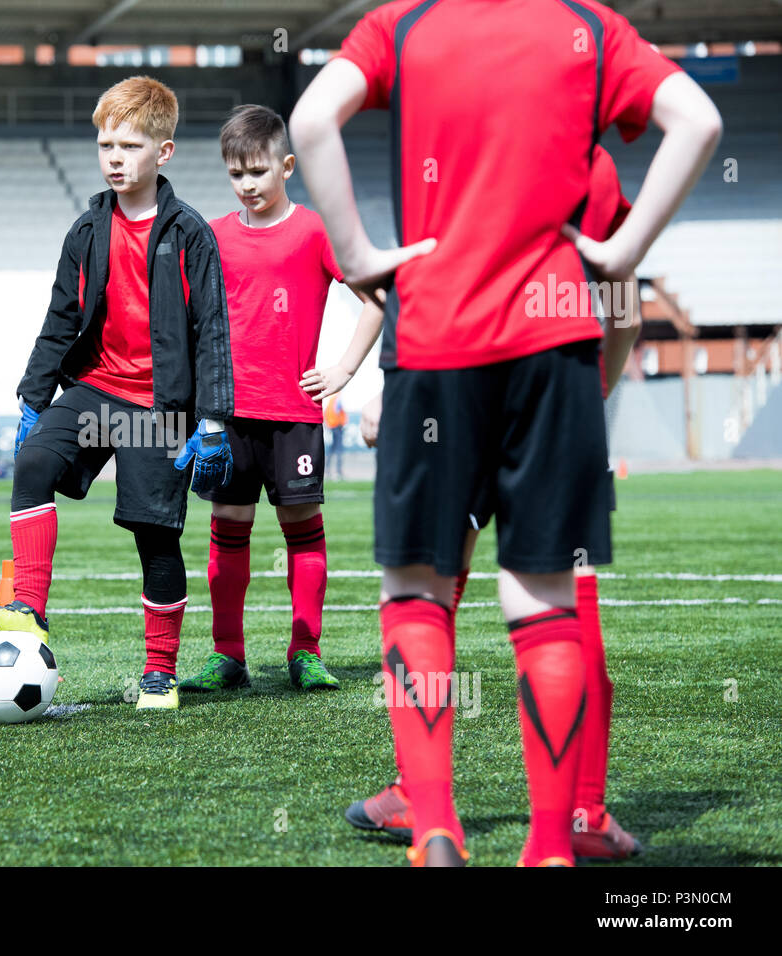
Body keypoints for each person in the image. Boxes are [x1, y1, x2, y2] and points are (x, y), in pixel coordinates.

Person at [291, 0, 720, 865]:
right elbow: (699, 120)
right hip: (556, 353)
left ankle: (436, 822)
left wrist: (361, 252)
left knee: (417, 588)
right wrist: (621, 248)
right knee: (547, 601)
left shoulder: (403, 25)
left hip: (440, 345)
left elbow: (308, 120)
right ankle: (554, 843)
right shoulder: (588, 28)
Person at [347, 144, 646, 862]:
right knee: (562, 598)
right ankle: (580, 814)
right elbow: (624, 305)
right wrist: (592, 394)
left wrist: (394, 389)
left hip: (444, 381)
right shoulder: (585, 159)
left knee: (427, 585)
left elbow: (415, 271)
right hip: (548, 380)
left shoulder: (442, 145)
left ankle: (425, 805)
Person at [0, 76, 234, 711]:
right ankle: (27, 608)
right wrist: (33, 399)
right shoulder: (86, 230)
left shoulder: (190, 234)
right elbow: (60, 319)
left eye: (129, 145)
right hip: (97, 394)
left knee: (153, 532)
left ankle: (160, 671)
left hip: (157, 409)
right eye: (105, 144)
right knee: (31, 464)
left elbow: (214, 330)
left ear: (162, 153)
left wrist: (213, 420)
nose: (114, 157)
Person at [176, 104, 382, 694]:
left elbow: (376, 300)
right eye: (236, 174)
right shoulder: (211, 237)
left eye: (258, 172)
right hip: (229, 415)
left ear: (286, 166)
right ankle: (227, 656)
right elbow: (190, 321)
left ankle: (306, 651)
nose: (247, 185)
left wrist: (343, 368)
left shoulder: (314, 231)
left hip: (293, 413)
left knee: (302, 526)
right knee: (228, 524)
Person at [324, 395, 347, 481]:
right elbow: (337, 410)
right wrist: (342, 423)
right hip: (337, 427)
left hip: (332, 426)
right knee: (338, 450)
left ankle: (327, 471)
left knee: (332, 450)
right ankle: (338, 472)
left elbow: (326, 412)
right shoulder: (337, 398)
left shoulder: (331, 399)